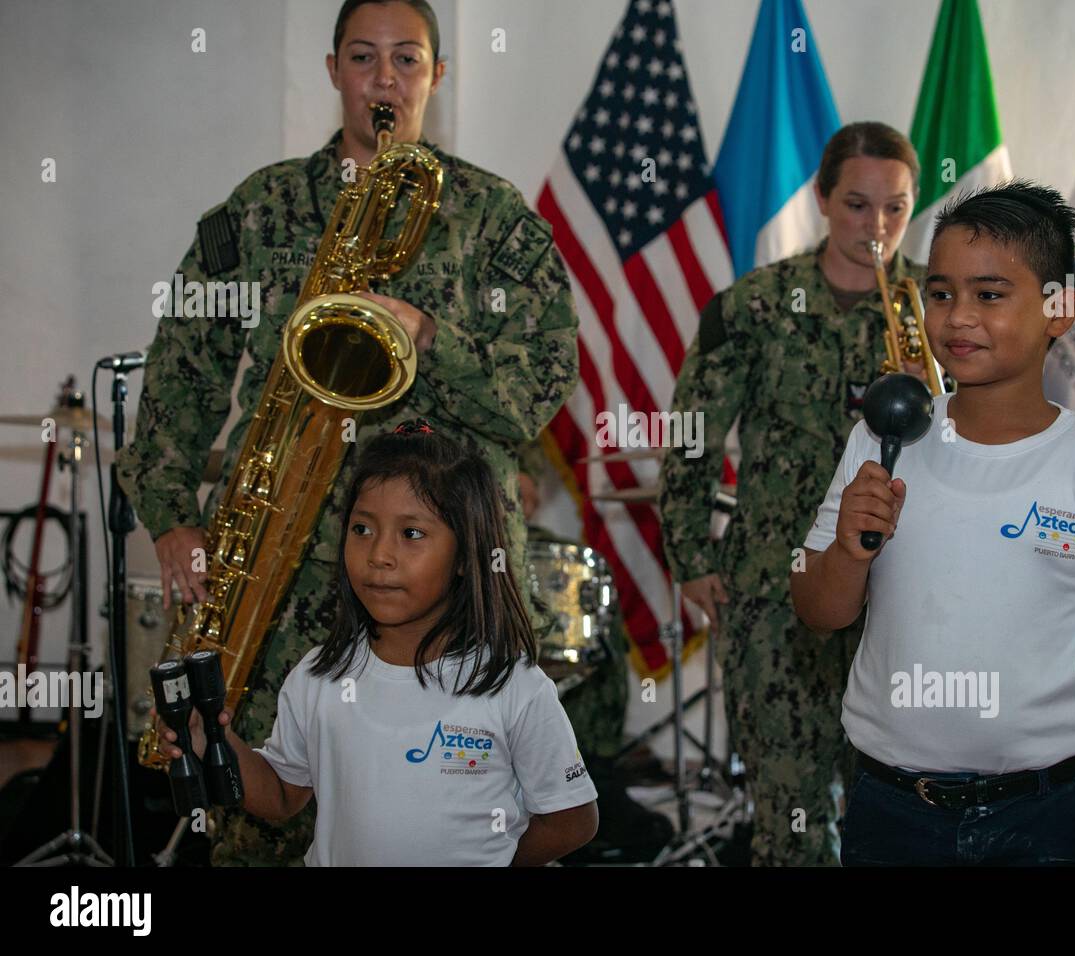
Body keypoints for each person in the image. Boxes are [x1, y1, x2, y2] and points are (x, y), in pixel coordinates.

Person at [117, 0, 578, 865]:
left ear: (438, 77)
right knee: (256, 822)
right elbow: (182, 375)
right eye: (364, 58)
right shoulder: (260, 211)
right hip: (277, 571)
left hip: (450, 583)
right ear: (333, 70)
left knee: (450, 808)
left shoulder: (492, 216)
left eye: (408, 59)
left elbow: (539, 393)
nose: (385, 79)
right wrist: (173, 517)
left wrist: (430, 338)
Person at [791, 181, 1075, 866]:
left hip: (1048, 814)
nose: (958, 317)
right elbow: (819, 611)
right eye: (941, 294)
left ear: (1059, 310)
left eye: (990, 295)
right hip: (889, 809)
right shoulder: (884, 439)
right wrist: (849, 551)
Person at [658, 122, 927, 866]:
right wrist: (689, 554)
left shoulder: (934, 314)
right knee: (792, 812)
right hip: (775, 589)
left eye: (895, 208)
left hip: (904, 587)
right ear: (821, 198)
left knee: (896, 808)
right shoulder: (755, 305)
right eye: (856, 205)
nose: (876, 227)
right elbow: (692, 437)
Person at [155, 422, 598, 865]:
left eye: (411, 534)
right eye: (362, 529)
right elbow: (282, 795)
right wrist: (210, 736)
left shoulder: (512, 685)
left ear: (465, 556)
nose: (379, 555)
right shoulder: (318, 676)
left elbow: (571, 820)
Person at [516, 443, 674, 862]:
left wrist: (519, 475)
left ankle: (592, 768)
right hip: (453, 522)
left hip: (497, 522)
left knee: (587, 594)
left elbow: (525, 451)